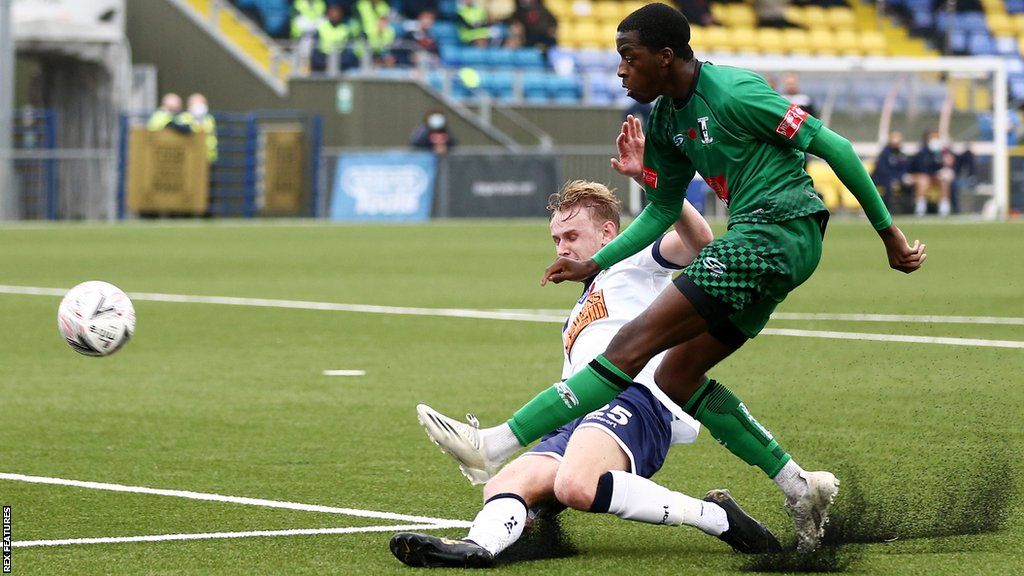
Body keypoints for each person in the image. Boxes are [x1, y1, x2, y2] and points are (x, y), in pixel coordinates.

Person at [416, 3, 926, 555]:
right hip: (763, 246)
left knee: (632, 343)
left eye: (629, 59)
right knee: (677, 377)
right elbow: (662, 210)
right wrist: (594, 263)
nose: (620, 71)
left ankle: (494, 444)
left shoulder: (734, 93)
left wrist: (888, 233)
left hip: (778, 231)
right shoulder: (663, 122)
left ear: (665, 57)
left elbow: (837, 148)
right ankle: (800, 487)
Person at [392, 179, 781, 568]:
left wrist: (659, 183)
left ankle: (717, 518)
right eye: (556, 238)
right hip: (579, 415)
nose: (562, 247)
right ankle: (480, 545)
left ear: (608, 232)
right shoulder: (579, 309)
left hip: (636, 399)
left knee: (576, 485)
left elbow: (699, 241)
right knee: (504, 484)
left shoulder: (636, 259)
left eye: (572, 235)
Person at [909, 130, 953, 217]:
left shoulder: (942, 152)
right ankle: (920, 208)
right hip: (923, 176)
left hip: (936, 177)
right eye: (933, 137)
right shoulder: (922, 152)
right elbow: (920, 168)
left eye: (937, 137)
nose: (936, 140)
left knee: (944, 180)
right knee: (923, 180)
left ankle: (944, 208)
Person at [871, 131, 911, 212]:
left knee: (909, 185)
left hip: (896, 179)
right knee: (889, 186)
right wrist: (894, 179)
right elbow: (882, 170)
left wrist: (902, 178)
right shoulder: (884, 154)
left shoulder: (901, 155)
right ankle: (884, 210)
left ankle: (907, 208)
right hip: (881, 179)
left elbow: (904, 169)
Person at [312, 4, 358, 72]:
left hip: (342, 64)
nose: (335, 15)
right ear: (328, 14)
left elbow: (349, 51)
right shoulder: (321, 28)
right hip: (322, 64)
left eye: (337, 13)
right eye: (332, 13)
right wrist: (325, 63)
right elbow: (315, 50)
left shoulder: (346, 29)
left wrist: (337, 62)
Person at [180, 93, 218, 165]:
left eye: (202, 104)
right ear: (189, 106)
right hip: (189, 161)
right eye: (196, 105)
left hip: (208, 160)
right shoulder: (183, 119)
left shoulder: (209, 119)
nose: (199, 108)